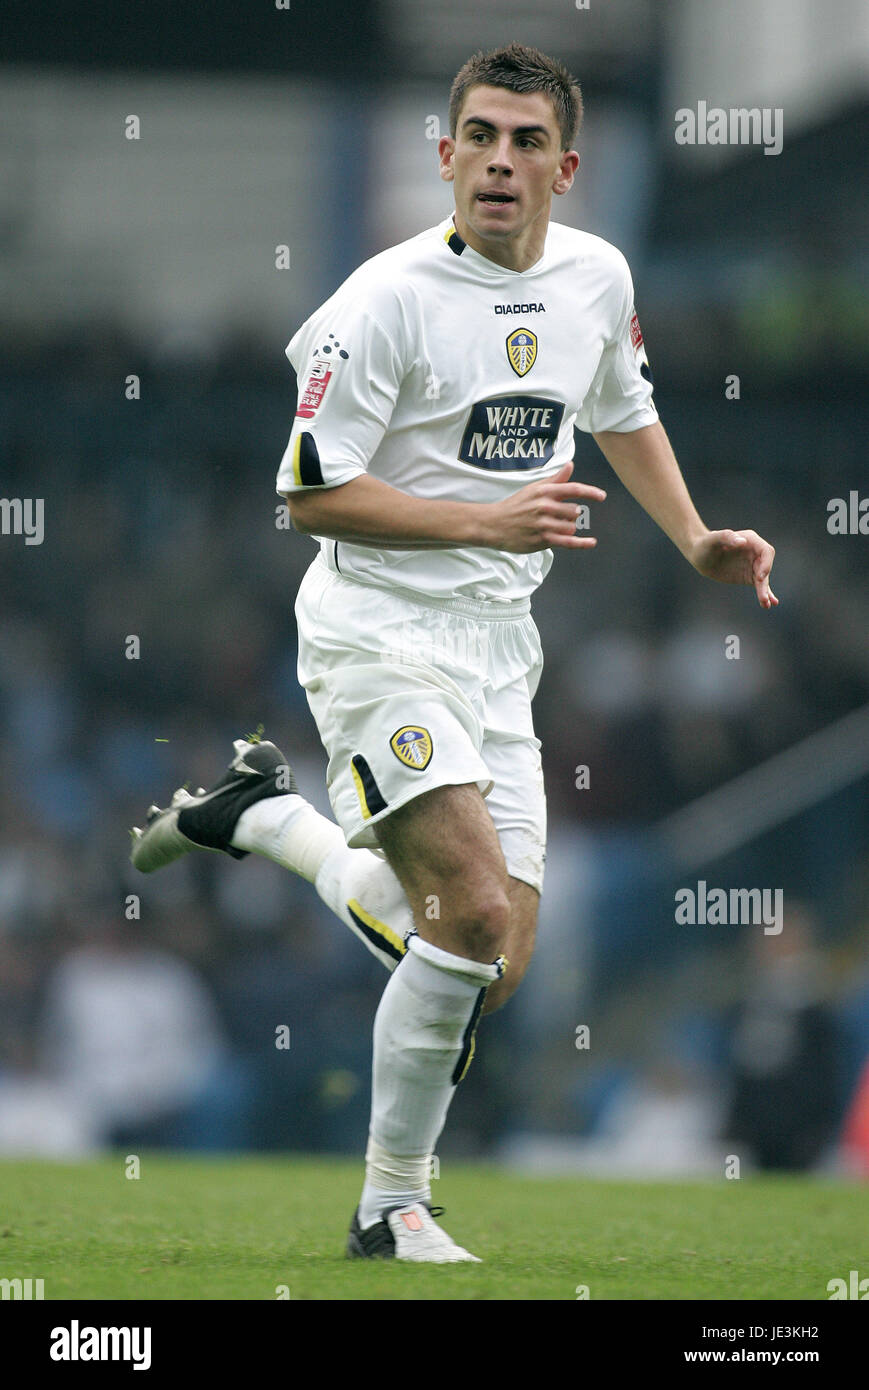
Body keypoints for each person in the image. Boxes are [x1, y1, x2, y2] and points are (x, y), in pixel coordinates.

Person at [132, 42, 777, 1262]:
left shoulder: (594, 276)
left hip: (497, 645)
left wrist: (692, 537)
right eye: (477, 135)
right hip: (377, 630)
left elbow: (621, 403)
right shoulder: (379, 301)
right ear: (443, 154)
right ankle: (391, 1205)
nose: (497, 159)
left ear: (565, 167)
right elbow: (308, 494)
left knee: (490, 958)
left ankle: (264, 818)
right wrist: (481, 518)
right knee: (470, 914)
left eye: (525, 141)